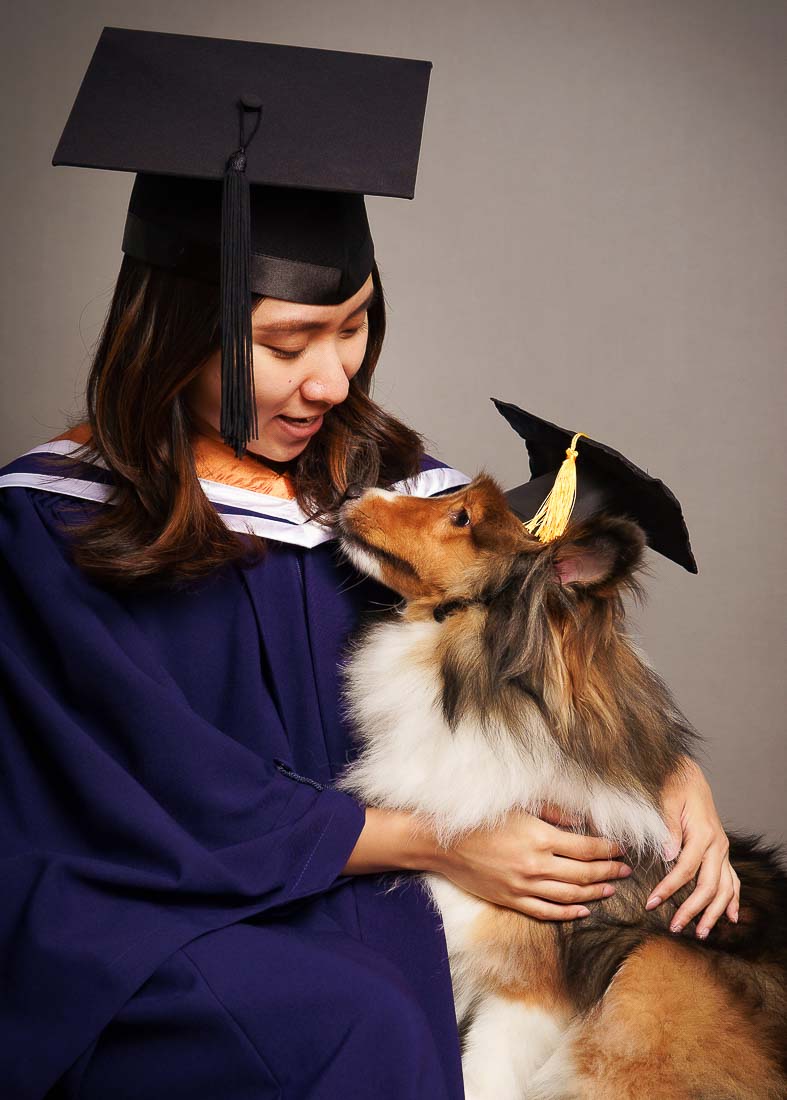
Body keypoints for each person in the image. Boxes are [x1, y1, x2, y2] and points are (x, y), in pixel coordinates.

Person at [0, 27, 739, 1100]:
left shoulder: (387, 496)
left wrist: (670, 777)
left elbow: (534, 653)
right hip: (148, 906)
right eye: (289, 344)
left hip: (373, 877)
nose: (332, 379)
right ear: (173, 332)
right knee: (358, 1017)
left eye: (353, 329)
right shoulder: (52, 520)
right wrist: (430, 842)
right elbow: (132, 790)